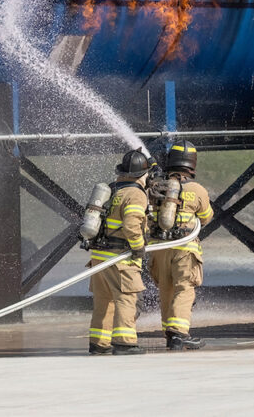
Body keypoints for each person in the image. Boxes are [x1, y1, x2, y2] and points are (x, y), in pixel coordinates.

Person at [148, 142, 214, 351]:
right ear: (192, 165)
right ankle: (179, 334)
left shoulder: (156, 187)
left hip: (158, 248)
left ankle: (170, 334)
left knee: (166, 290)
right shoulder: (197, 190)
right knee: (184, 288)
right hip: (185, 248)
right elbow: (206, 218)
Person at [87, 149, 151, 355]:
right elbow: (132, 225)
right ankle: (124, 342)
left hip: (99, 257)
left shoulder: (111, 190)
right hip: (119, 258)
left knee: (103, 300)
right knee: (126, 297)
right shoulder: (136, 194)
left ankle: (99, 343)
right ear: (141, 175)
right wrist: (139, 247)